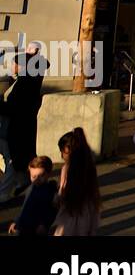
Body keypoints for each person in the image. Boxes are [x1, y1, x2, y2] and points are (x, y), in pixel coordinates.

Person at [0, 44, 44, 199]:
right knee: (14, 160)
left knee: (12, 160)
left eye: (15, 63)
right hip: (14, 127)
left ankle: (4, 192)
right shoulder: (22, 81)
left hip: (16, 128)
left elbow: (14, 108)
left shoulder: (25, 84)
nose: (12, 65)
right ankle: (23, 183)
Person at [52, 129, 100, 237]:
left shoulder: (67, 168)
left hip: (71, 210)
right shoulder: (89, 166)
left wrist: (56, 199)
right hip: (87, 209)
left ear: (67, 149)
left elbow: (62, 190)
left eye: (61, 151)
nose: (61, 155)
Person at [7, 156, 56, 235]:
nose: (37, 179)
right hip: (25, 226)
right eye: (33, 176)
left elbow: (52, 211)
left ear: (49, 173)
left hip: (37, 229)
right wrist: (16, 221)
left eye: (41, 175)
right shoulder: (31, 188)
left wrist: (44, 224)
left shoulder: (50, 191)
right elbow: (24, 208)